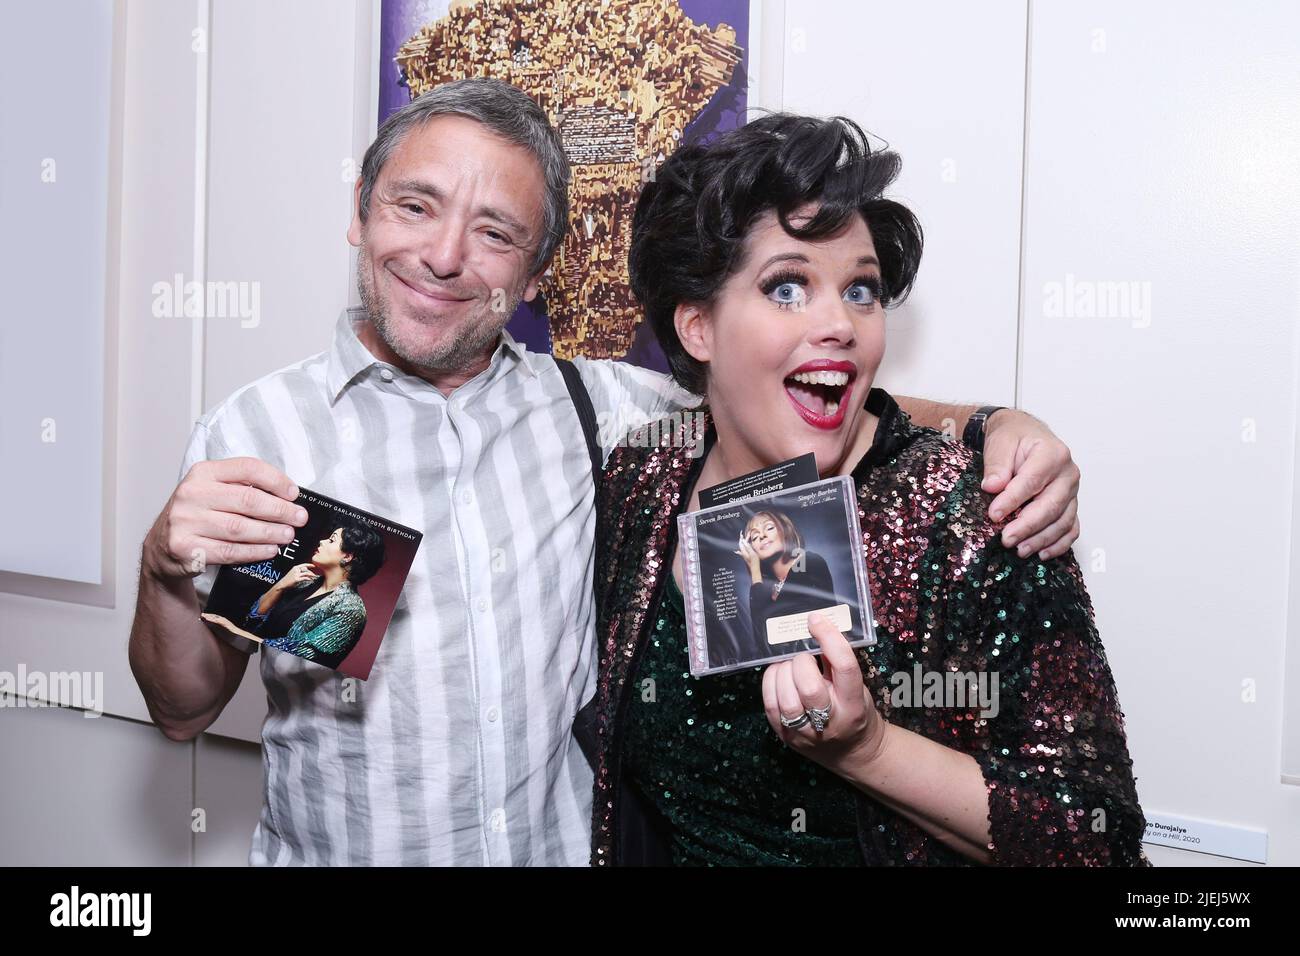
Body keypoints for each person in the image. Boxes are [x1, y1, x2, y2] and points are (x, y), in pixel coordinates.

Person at [128, 78, 1086, 866]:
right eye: (415, 206)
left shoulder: (601, 417)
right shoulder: (264, 437)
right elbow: (185, 710)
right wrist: (166, 573)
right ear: (361, 214)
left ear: (536, 273)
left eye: (496, 233)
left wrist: (998, 422)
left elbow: (780, 384)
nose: (445, 255)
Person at [586, 112, 1149, 866]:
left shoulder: (974, 515)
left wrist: (866, 748)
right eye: (787, 288)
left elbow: (1093, 837)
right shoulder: (644, 479)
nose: (840, 324)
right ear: (697, 328)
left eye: (861, 290)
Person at [200, 522, 385, 669]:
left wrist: (233, 629)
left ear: (348, 556)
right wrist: (281, 585)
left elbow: (302, 652)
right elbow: (252, 624)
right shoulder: (305, 582)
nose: (322, 542)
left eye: (331, 540)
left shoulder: (351, 609)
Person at [735, 510, 838, 661]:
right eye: (755, 537)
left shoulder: (806, 561)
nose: (762, 536)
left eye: (769, 528)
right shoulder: (768, 588)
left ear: (786, 530)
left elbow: (778, 637)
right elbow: (763, 644)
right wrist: (754, 569)